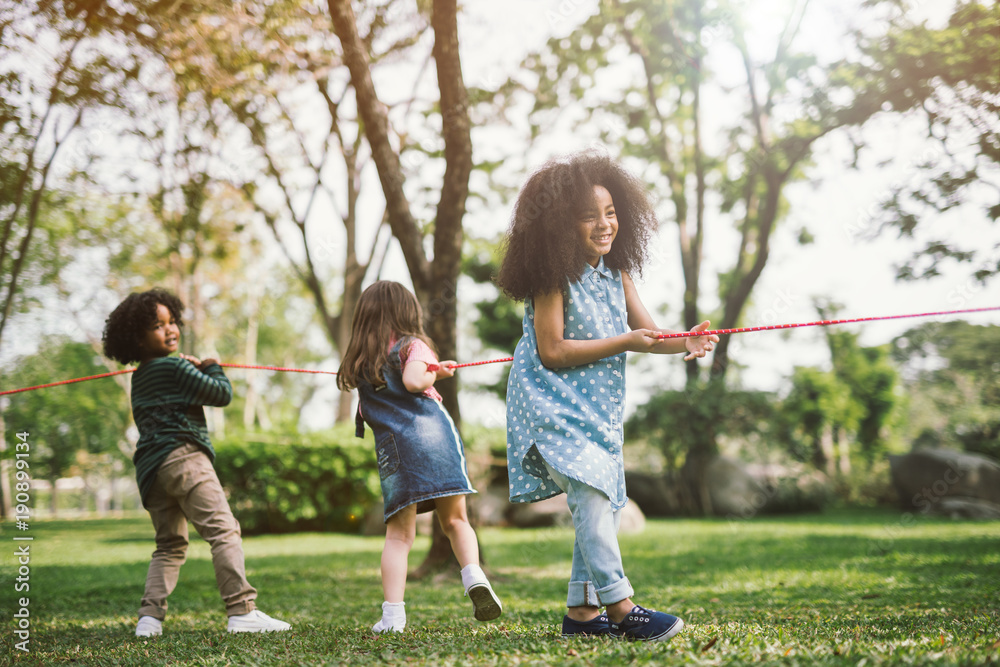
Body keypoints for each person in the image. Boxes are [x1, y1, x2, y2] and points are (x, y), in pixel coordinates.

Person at [496, 151, 719, 641]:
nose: (605, 224)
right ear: (559, 224)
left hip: (597, 413)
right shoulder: (552, 277)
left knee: (600, 501)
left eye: (612, 212)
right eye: (589, 215)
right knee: (594, 496)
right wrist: (623, 342)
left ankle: (581, 615)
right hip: (550, 407)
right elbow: (552, 351)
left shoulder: (616, 274)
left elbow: (650, 334)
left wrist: (687, 341)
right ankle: (622, 608)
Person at [102, 288, 291, 637]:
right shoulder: (173, 366)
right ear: (137, 338)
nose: (170, 329)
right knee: (224, 531)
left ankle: (149, 619)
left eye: (172, 321)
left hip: (151, 471)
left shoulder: (141, 376)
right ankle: (241, 610)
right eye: (158, 326)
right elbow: (221, 393)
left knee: (169, 545)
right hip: (185, 459)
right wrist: (211, 365)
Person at [337, 280, 502, 633]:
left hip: (394, 451)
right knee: (456, 521)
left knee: (398, 536)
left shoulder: (362, 363)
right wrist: (436, 371)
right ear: (407, 313)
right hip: (433, 441)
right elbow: (413, 381)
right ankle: (473, 575)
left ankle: (393, 616)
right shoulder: (414, 345)